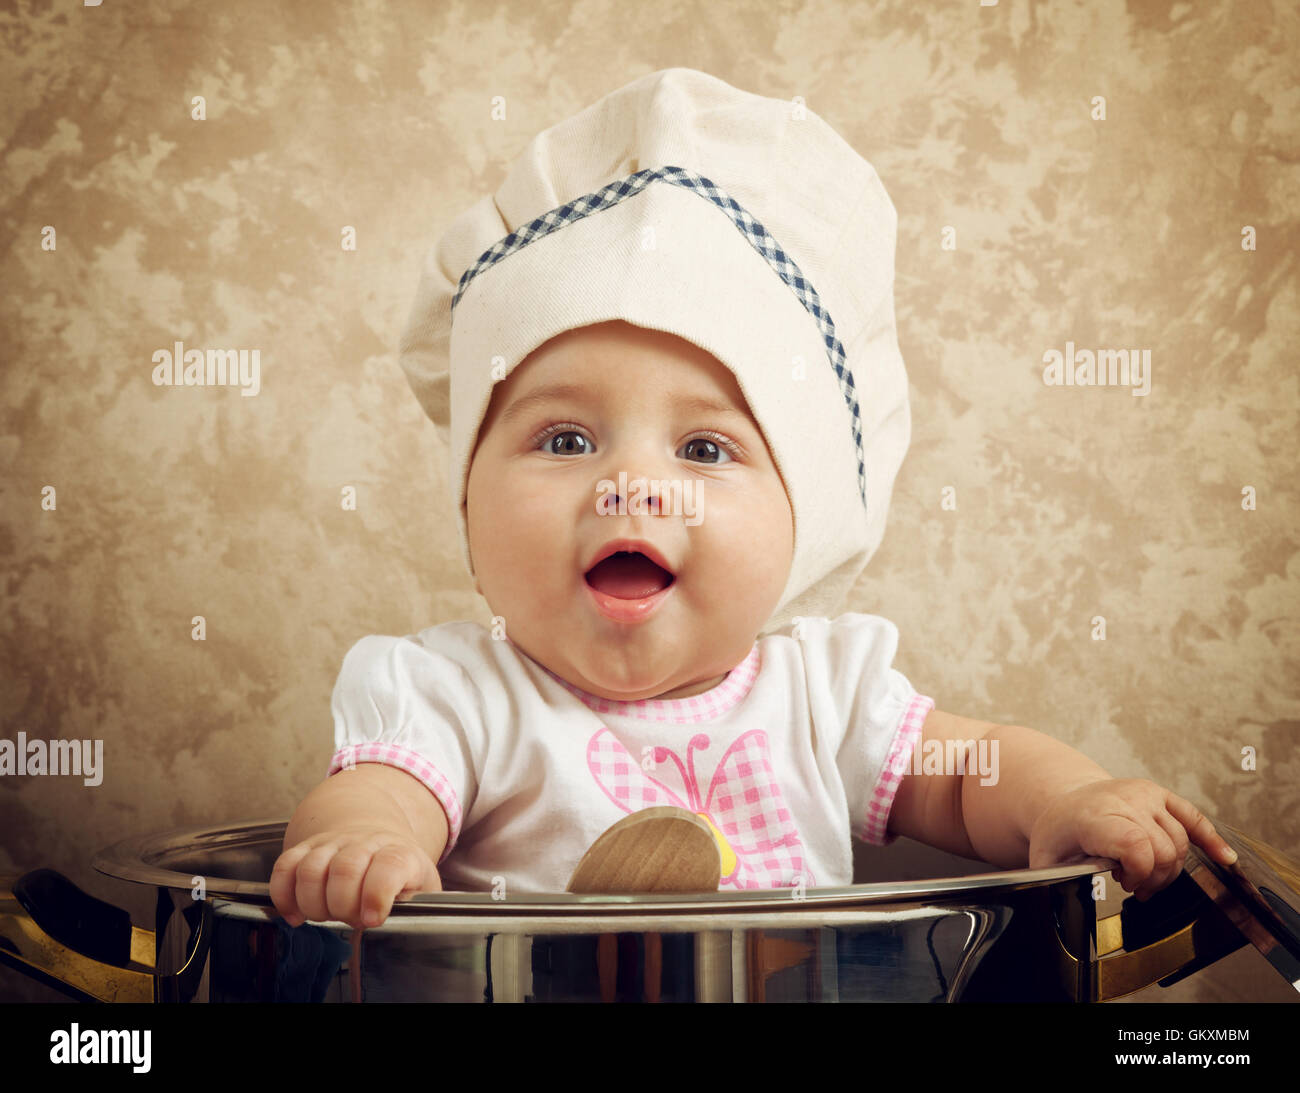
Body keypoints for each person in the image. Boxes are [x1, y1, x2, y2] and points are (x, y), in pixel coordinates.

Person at [270, 68, 1236, 931]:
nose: (632, 484)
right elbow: (381, 790)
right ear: (469, 505)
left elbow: (972, 771)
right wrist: (363, 842)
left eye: (703, 447)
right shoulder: (459, 693)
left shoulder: (821, 694)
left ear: (798, 522)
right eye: (565, 439)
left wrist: (1066, 799)